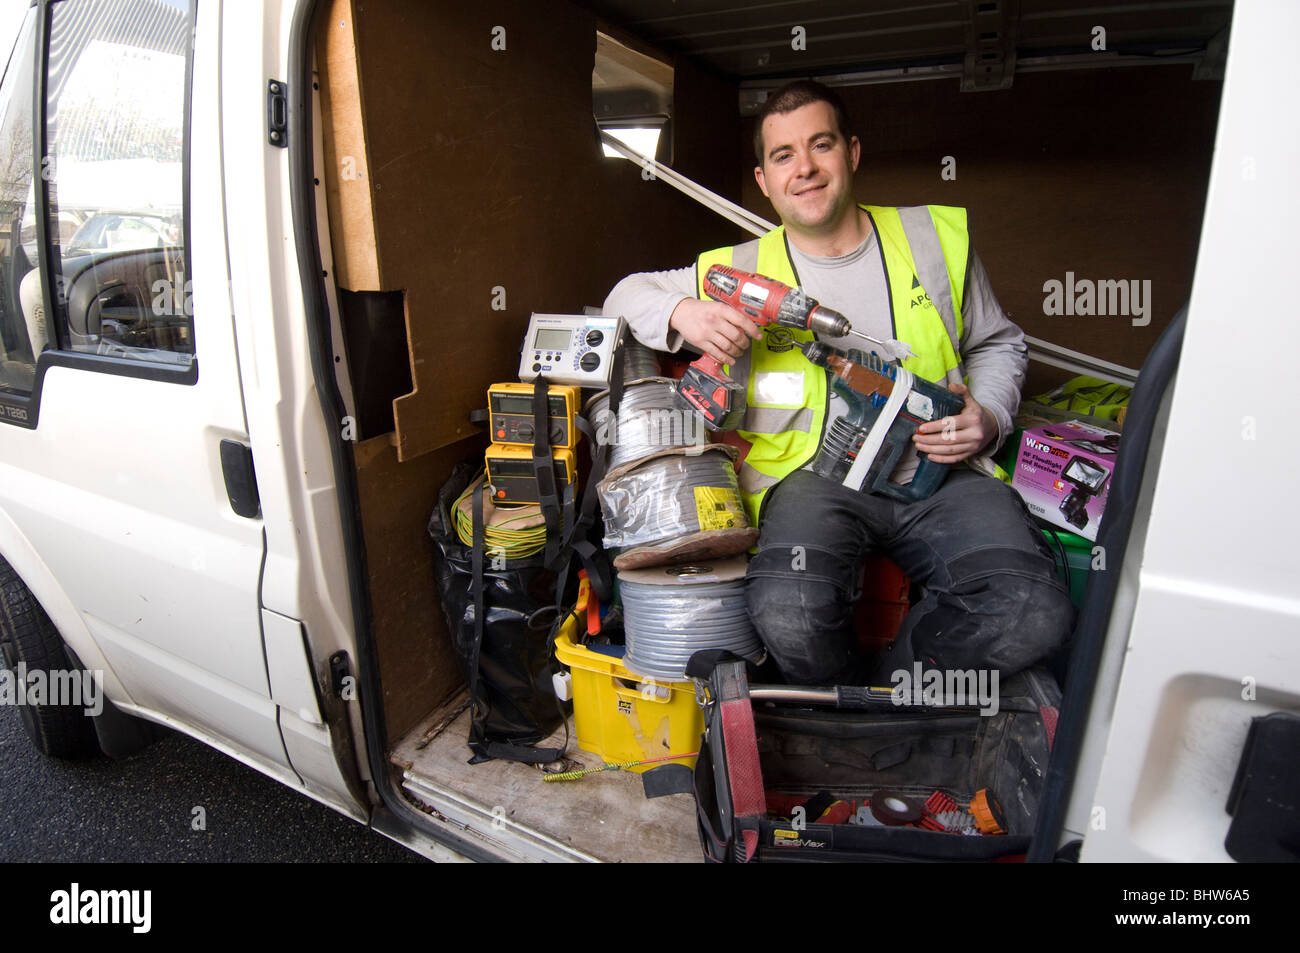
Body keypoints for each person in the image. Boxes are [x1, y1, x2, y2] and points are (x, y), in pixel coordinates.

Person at [603, 80, 1073, 686]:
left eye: (820, 145)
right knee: (788, 615)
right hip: (813, 482)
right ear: (765, 179)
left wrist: (988, 416)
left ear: (851, 153)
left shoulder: (932, 241)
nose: (805, 168)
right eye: (783, 157)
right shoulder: (736, 268)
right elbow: (623, 294)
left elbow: (997, 342)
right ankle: (854, 705)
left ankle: (891, 697)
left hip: (939, 471)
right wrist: (682, 313)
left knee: (1031, 611)